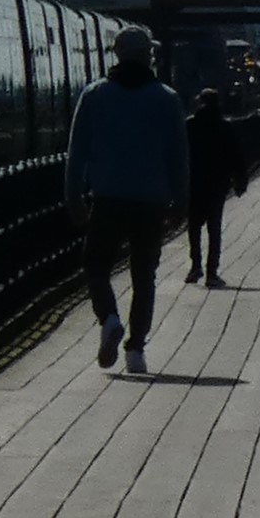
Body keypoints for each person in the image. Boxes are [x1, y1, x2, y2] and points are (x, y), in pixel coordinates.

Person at [65, 24, 188, 376]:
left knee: (96, 265)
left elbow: (77, 154)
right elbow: (179, 156)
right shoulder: (167, 98)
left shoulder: (94, 95)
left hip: (107, 199)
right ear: (148, 56)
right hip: (151, 202)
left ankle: (109, 318)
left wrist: (74, 198)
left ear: (117, 55)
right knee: (144, 276)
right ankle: (136, 350)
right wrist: (181, 201)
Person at [182, 88, 244, 286]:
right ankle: (212, 272)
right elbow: (236, 155)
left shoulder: (190, 125)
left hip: (195, 181)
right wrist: (240, 180)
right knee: (214, 228)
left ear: (199, 102)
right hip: (218, 182)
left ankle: (195, 265)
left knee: (194, 226)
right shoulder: (225, 126)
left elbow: (180, 153)